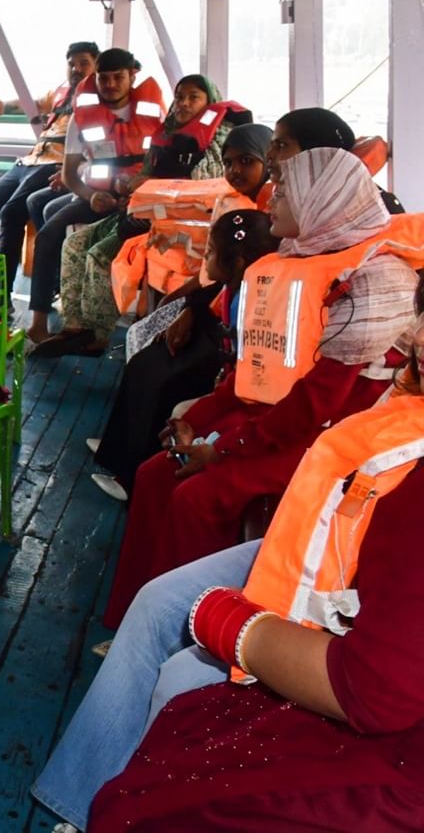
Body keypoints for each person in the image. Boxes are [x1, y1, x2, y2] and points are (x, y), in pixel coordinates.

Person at [34, 302, 424, 830]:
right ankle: (75, 806)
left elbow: (375, 691)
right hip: (331, 540)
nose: (414, 338)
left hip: (343, 603)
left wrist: (224, 619)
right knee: (156, 603)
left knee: (178, 681)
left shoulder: (367, 307)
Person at [102, 147, 422, 628]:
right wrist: (195, 419)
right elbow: (258, 370)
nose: (272, 198)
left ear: (321, 199)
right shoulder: (297, 260)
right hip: (281, 419)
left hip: (336, 440)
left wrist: (224, 451)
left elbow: (318, 404)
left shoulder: (374, 279)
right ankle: (133, 620)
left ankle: (184, 633)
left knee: (197, 498)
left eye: (286, 188)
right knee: (154, 473)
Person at [88, 126, 276, 498]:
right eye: (230, 162)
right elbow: (214, 273)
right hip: (213, 303)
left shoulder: (273, 214)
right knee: (142, 342)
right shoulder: (235, 202)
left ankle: (132, 473)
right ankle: (117, 448)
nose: (236, 170)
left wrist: (188, 310)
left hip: (232, 326)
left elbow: (230, 281)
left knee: (159, 372)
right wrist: (181, 303)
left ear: (267, 163)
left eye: (247, 162)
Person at [32, 74, 233, 359]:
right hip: (141, 210)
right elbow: (147, 173)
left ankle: (97, 335)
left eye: (194, 97)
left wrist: (151, 191)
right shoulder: (168, 130)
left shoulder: (217, 137)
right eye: (180, 97)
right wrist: (128, 185)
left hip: (177, 224)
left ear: (209, 100)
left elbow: (206, 180)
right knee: (74, 244)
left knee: (100, 255)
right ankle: (75, 328)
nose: (184, 104)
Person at [23, 48, 165, 343]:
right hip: (97, 198)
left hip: (140, 202)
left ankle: (106, 325)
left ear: (132, 76)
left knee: (94, 247)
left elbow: (163, 166)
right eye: (103, 78)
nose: (110, 84)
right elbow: (70, 175)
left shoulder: (155, 116)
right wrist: (90, 196)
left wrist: (141, 188)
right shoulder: (80, 118)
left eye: (118, 77)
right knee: (49, 234)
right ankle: (39, 323)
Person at [0, 42, 100, 287]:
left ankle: (1, 292)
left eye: (84, 63)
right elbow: (32, 103)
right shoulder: (59, 92)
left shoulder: (99, 98)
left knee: (11, 212)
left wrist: (74, 170)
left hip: (56, 163)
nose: (76, 69)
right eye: (72, 64)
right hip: (30, 159)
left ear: (95, 67)